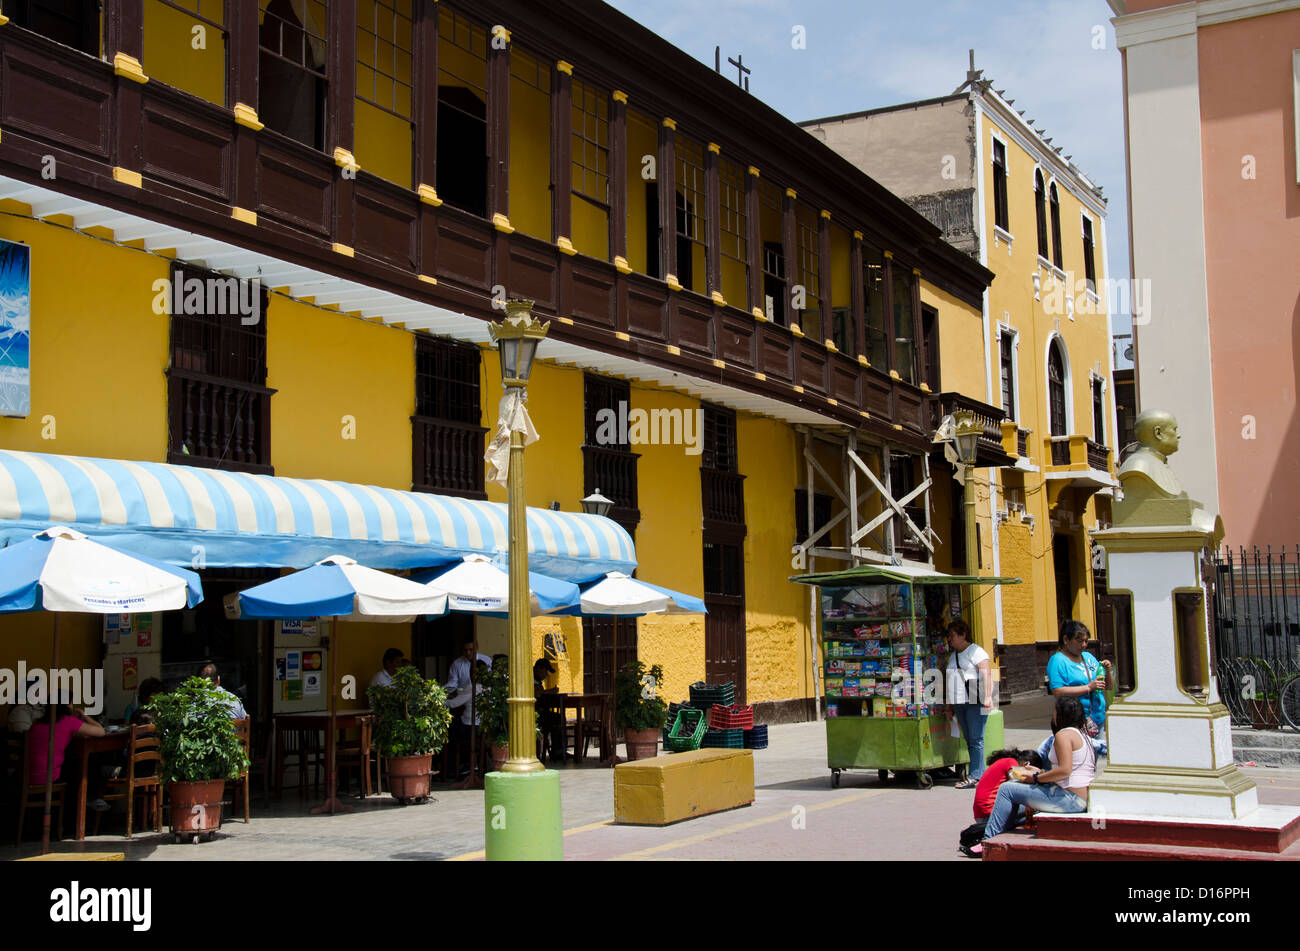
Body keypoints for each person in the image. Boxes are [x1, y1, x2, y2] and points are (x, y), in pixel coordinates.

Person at [968, 696, 1096, 856]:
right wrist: (1042, 775)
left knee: (1007, 789)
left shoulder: (1063, 735)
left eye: (1054, 711)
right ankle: (997, 836)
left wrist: (1035, 778)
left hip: (1069, 799)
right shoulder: (1082, 735)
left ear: (1060, 714)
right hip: (1079, 797)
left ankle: (988, 840)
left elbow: (1065, 770)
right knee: (1017, 800)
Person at [1039, 620, 1111, 759]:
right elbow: (1058, 691)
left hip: (1096, 718)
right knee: (1078, 759)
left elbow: (1108, 686)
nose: (1083, 645)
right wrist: (1088, 687)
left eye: (1086, 641)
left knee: (1092, 760)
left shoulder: (1088, 657)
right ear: (1066, 639)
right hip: (1074, 720)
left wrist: (1107, 671)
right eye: (1079, 641)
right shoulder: (1058, 661)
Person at [944, 619, 993, 789]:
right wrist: (949, 706)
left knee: (976, 738)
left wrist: (988, 697)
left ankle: (976, 776)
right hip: (959, 701)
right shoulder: (954, 655)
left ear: (963, 634)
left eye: (952, 635)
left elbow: (986, 673)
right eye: (948, 636)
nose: (949, 639)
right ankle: (977, 773)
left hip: (975, 700)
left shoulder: (976, 651)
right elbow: (951, 680)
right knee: (969, 739)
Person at [27, 704, 106, 791]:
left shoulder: (37, 722)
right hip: (49, 779)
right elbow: (101, 731)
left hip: (27, 777)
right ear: (66, 706)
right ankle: (87, 800)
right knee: (82, 763)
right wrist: (84, 716)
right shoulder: (69, 721)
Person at [534, 657, 565, 764]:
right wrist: (550, 691)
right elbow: (536, 693)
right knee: (557, 718)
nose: (546, 675)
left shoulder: (538, 681)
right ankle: (558, 750)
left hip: (542, 713)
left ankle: (559, 750)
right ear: (539, 668)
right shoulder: (531, 680)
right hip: (537, 715)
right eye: (545, 671)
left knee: (558, 717)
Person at [443, 636, 492, 701]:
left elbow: (490, 681)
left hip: (483, 700)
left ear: (476, 647)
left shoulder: (486, 660)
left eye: (471, 650)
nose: (468, 653)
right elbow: (453, 682)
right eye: (465, 650)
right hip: (463, 699)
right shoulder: (457, 664)